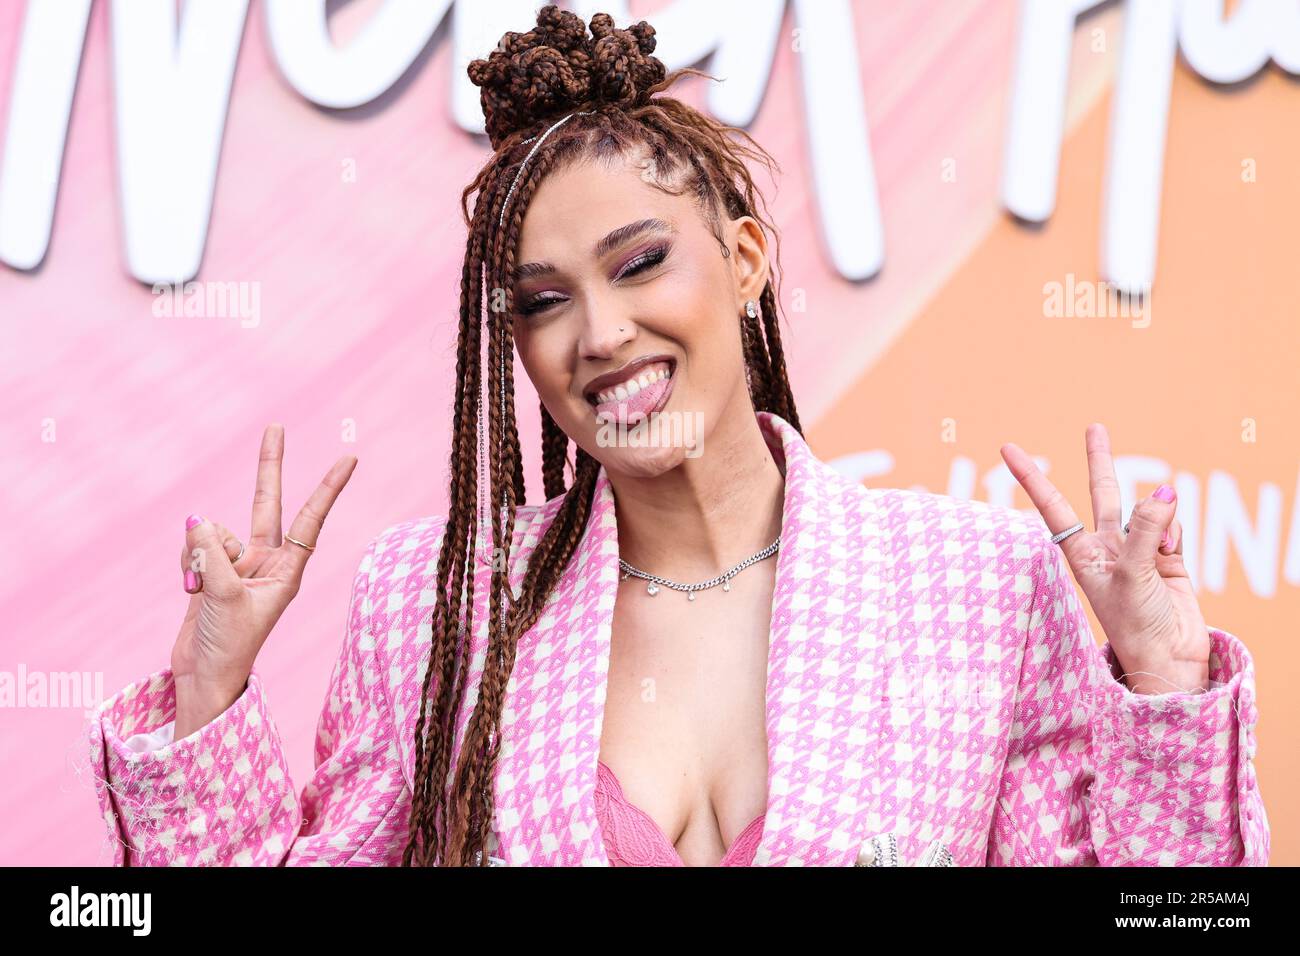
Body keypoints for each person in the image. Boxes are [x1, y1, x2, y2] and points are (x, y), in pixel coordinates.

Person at [87, 5, 1268, 868]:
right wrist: (208, 689)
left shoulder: (977, 584)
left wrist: (1163, 684)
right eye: (542, 299)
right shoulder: (436, 599)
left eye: (640, 261)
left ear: (746, 257)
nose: (598, 334)